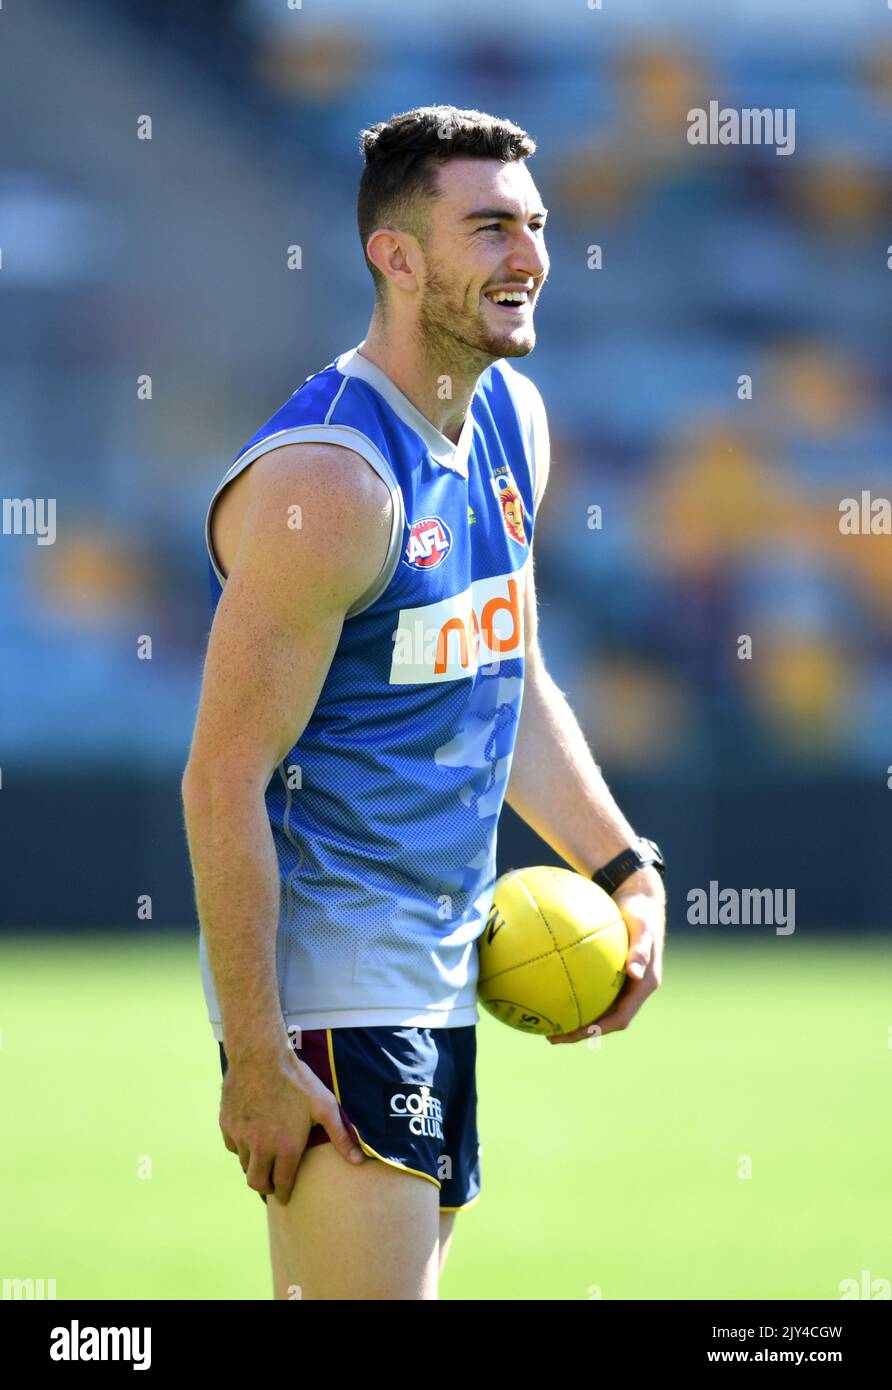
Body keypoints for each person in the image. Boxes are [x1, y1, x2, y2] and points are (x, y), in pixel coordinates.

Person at [181, 104, 665, 1301]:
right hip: (336, 990)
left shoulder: (511, 418)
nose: (528, 256)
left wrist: (624, 869)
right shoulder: (330, 484)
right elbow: (221, 777)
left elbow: (510, 677)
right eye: (489, 227)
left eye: (536, 226)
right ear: (395, 258)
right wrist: (254, 1050)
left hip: (440, 969)